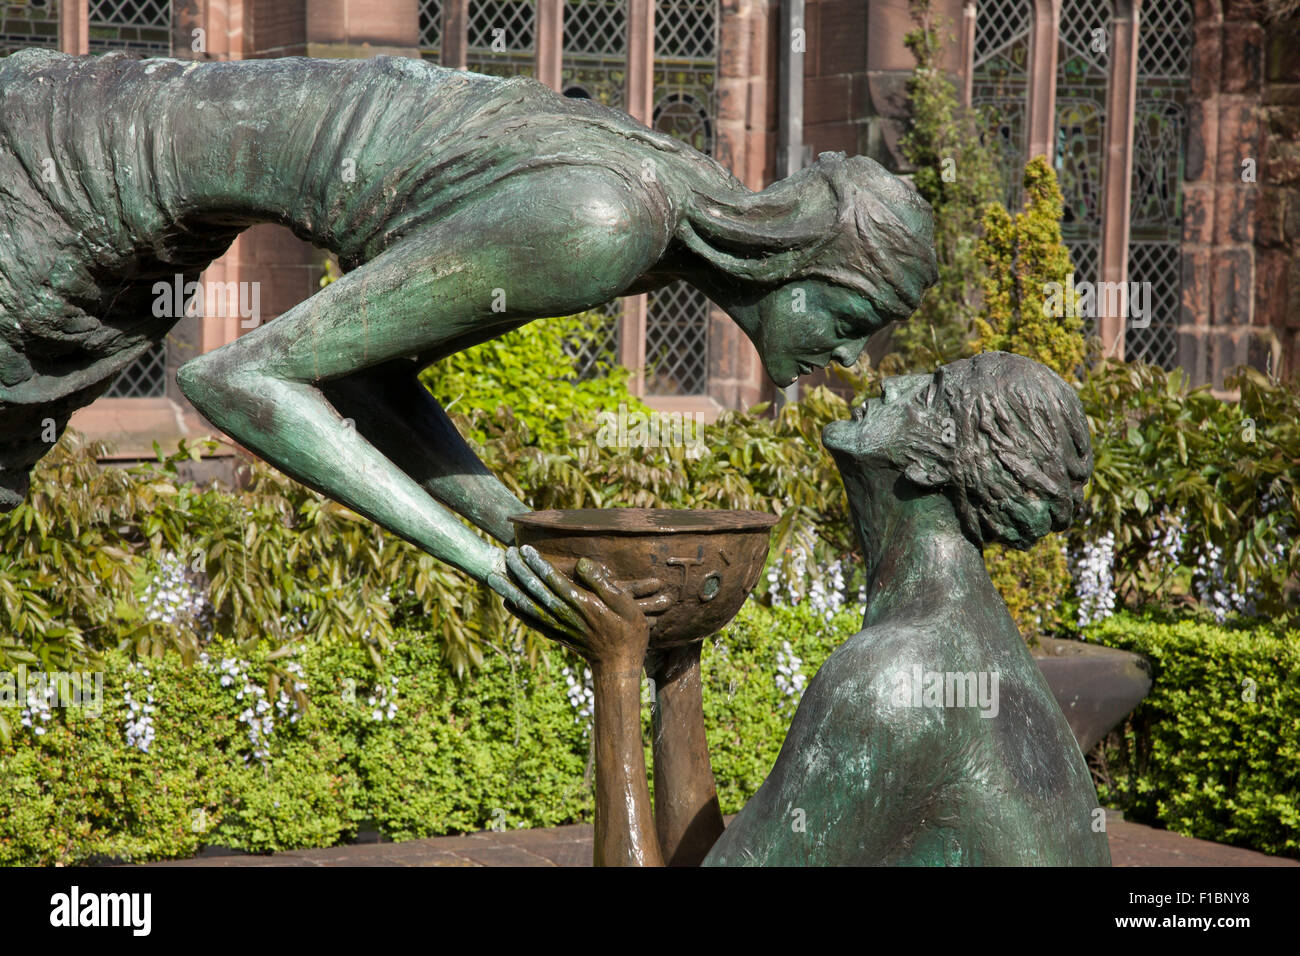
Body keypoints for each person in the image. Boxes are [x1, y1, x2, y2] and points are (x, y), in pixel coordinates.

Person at [0, 49, 937, 642]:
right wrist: (495, 569)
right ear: (797, 262)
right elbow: (241, 381)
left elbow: (365, 380)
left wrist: (535, 543)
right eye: (852, 321)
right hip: (66, 184)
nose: (851, 360)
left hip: (117, 200)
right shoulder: (605, 226)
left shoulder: (654, 222)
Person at [553, 351, 1110, 865]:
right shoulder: (965, 638)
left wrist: (616, 673)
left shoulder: (895, 679)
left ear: (938, 467)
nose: (895, 383)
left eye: (929, 392)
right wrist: (677, 659)